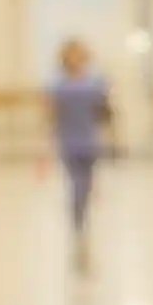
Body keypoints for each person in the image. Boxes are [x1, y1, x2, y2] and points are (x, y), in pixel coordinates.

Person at [48, 39, 112, 273]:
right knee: (76, 185)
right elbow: (52, 116)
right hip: (69, 142)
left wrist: (112, 139)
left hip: (90, 142)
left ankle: (82, 222)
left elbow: (105, 114)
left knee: (86, 185)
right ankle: (78, 227)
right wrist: (45, 146)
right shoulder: (58, 86)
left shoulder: (96, 83)